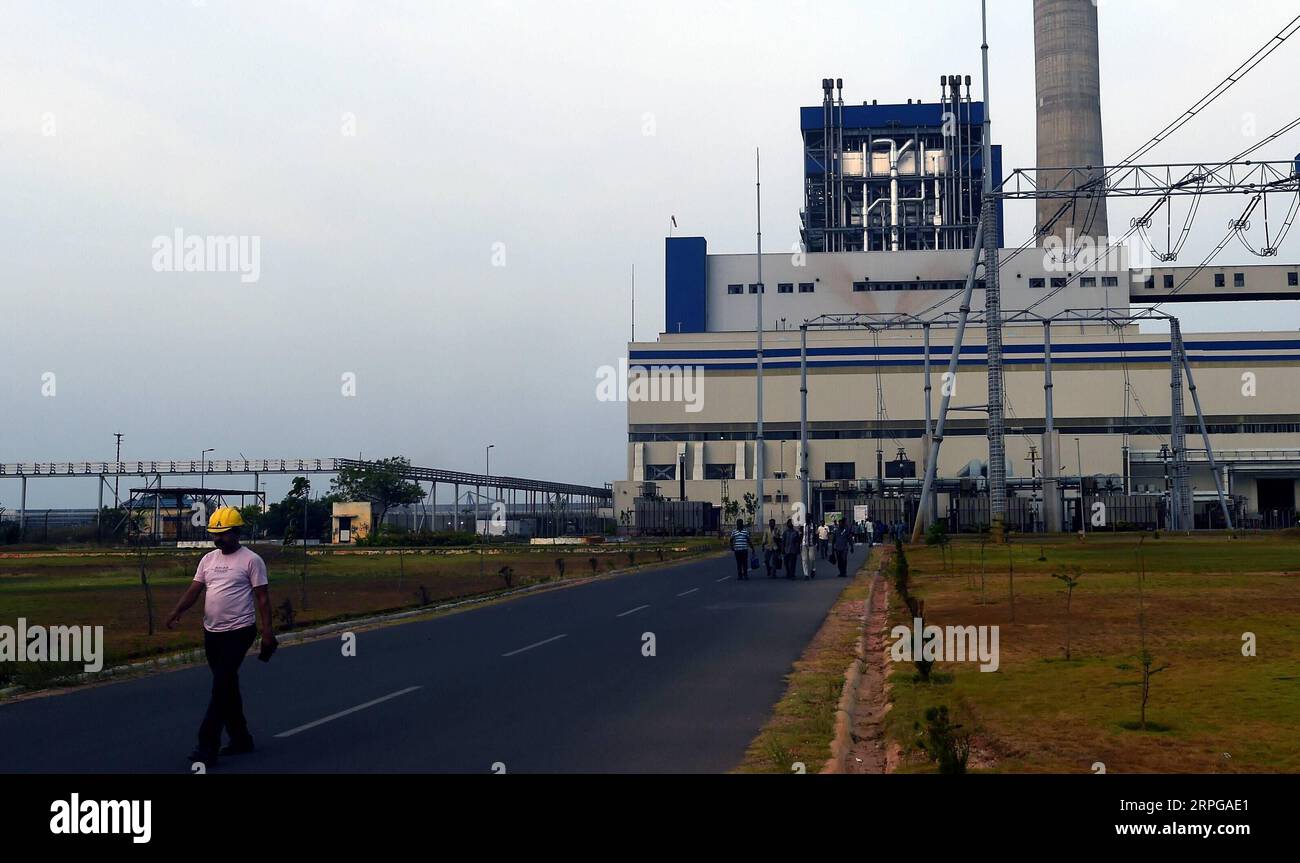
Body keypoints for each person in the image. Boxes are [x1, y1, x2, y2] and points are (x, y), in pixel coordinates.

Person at [166, 506, 276, 767]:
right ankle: (241, 738)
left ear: (237, 533)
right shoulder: (208, 560)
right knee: (227, 686)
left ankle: (207, 745)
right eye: (215, 535)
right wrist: (177, 611)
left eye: (224, 534)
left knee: (220, 687)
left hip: (240, 631)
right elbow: (195, 590)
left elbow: (262, 598)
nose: (218, 539)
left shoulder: (251, 560)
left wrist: (267, 633)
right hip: (212, 632)